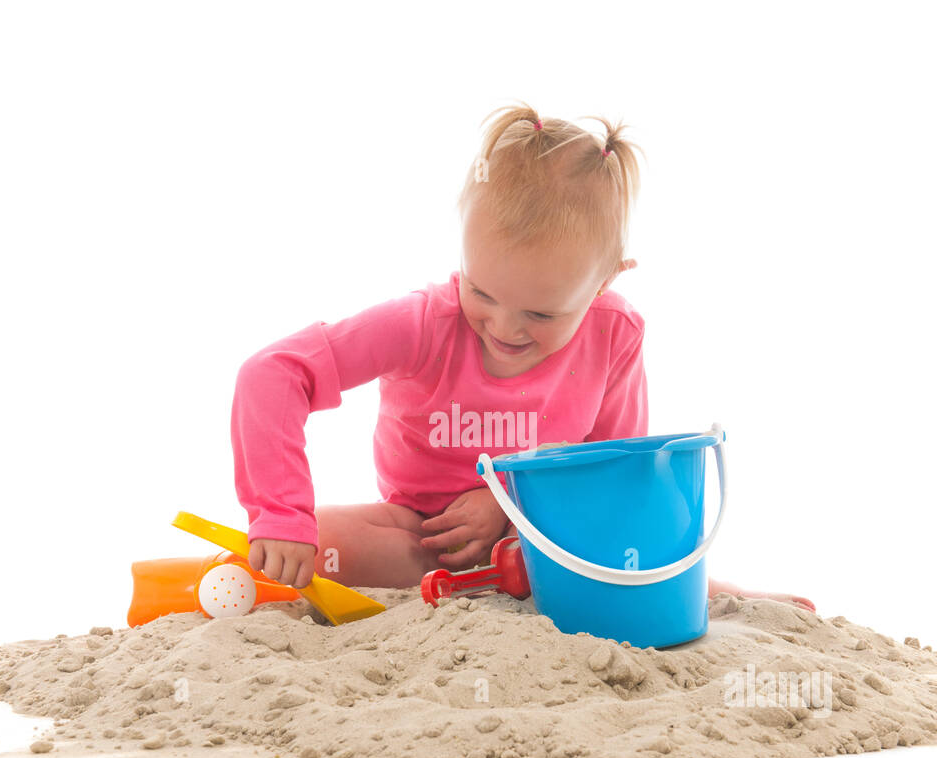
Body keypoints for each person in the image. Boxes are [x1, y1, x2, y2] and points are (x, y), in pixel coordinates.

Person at [232, 101, 814, 612]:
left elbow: (610, 472)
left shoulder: (616, 334)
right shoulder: (418, 325)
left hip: (553, 537)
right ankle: (484, 581)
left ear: (604, 283)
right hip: (420, 533)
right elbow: (275, 374)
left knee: (629, 549)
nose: (504, 327)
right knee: (314, 544)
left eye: (541, 314)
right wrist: (283, 516)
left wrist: (510, 504)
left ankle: (714, 590)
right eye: (481, 292)